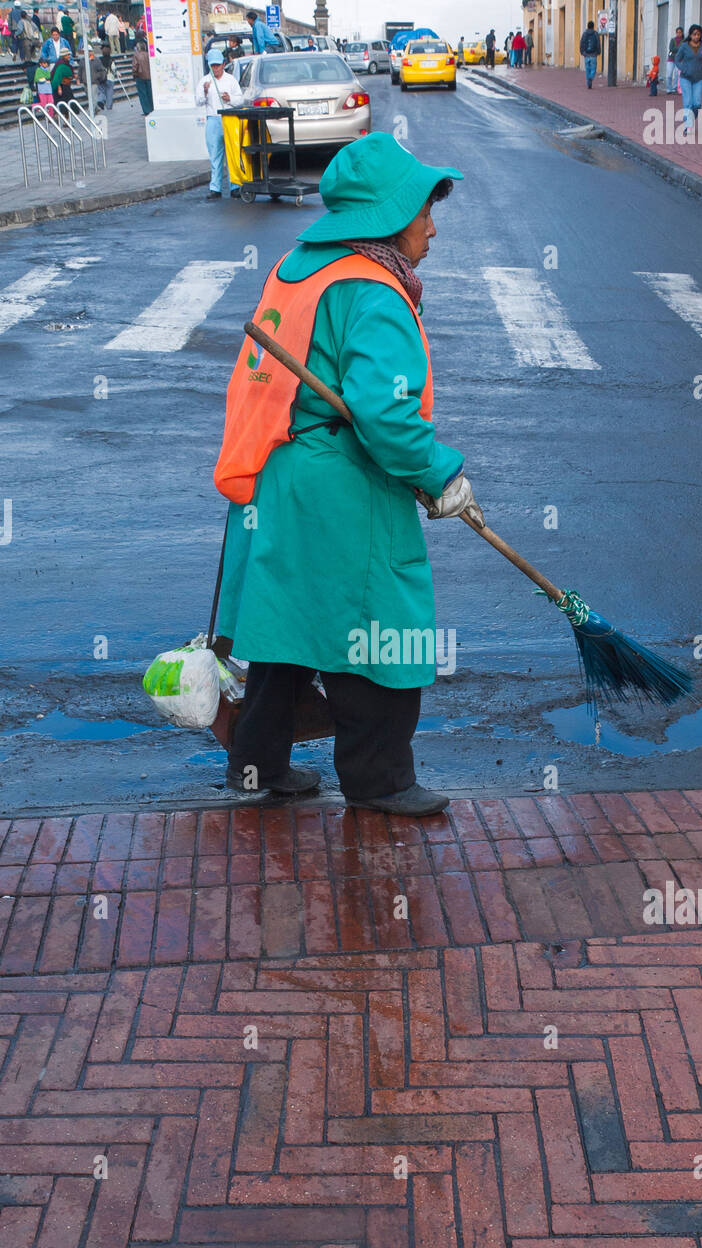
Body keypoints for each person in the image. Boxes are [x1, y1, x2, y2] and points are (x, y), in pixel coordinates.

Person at [212, 133, 478, 817]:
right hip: (341, 486)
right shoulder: (373, 292)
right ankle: (380, 780)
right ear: (390, 216)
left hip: (282, 472)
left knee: (286, 626)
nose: (432, 226)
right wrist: (440, 472)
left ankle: (259, 768)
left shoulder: (304, 265)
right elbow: (385, 417)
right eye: (424, 211)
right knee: (379, 628)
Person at [196, 48, 243, 200]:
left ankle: (235, 186)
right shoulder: (205, 81)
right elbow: (198, 101)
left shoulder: (231, 80)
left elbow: (240, 100)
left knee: (232, 154)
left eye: (217, 65)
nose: (215, 68)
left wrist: (230, 99)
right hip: (213, 119)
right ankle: (215, 188)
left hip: (229, 119)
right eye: (212, 65)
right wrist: (204, 92)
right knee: (215, 155)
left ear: (223, 64)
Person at [674, 24, 702, 128]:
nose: (696, 36)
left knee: (697, 104)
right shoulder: (684, 46)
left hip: (698, 79)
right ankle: (688, 125)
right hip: (686, 78)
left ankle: (690, 118)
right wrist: (683, 68)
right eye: (694, 34)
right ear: (690, 35)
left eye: (698, 34)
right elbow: (677, 59)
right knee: (688, 102)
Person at [132, 36, 152, 114]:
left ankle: (146, 110)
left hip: (140, 76)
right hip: (149, 76)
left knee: (143, 95)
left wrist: (134, 75)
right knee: (149, 93)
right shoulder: (148, 54)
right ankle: (151, 108)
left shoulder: (136, 55)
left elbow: (135, 66)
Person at [579, 19, 600, 87]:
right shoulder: (595, 33)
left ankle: (588, 83)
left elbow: (581, 43)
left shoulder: (584, 34)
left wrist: (582, 52)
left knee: (587, 69)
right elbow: (598, 43)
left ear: (587, 26)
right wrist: (598, 52)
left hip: (586, 55)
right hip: (593, 54)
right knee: (593, 68)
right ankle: (591, 77)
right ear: (593, 26)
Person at [92, 43, 114, 107]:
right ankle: (109, 105)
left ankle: (100, 100)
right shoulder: (111, 60)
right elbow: (113, 69)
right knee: (109, 92)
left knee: (101, 90)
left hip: (101, 78)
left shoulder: (99, 60)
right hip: (110, 78)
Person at [666, 27, 683, 94]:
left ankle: (674, 88)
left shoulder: (684, 41)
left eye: (680, 32)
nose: (679, 34)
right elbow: (671, 49)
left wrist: (675, 49)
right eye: (677, 32)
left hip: (679, 60)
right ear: (676, 33)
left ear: (682, 33)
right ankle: (668, 89)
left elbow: (682, 49)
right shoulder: (672, 40)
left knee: (677, 74)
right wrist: (678, 49)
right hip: (671, 59)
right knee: (669, 74)